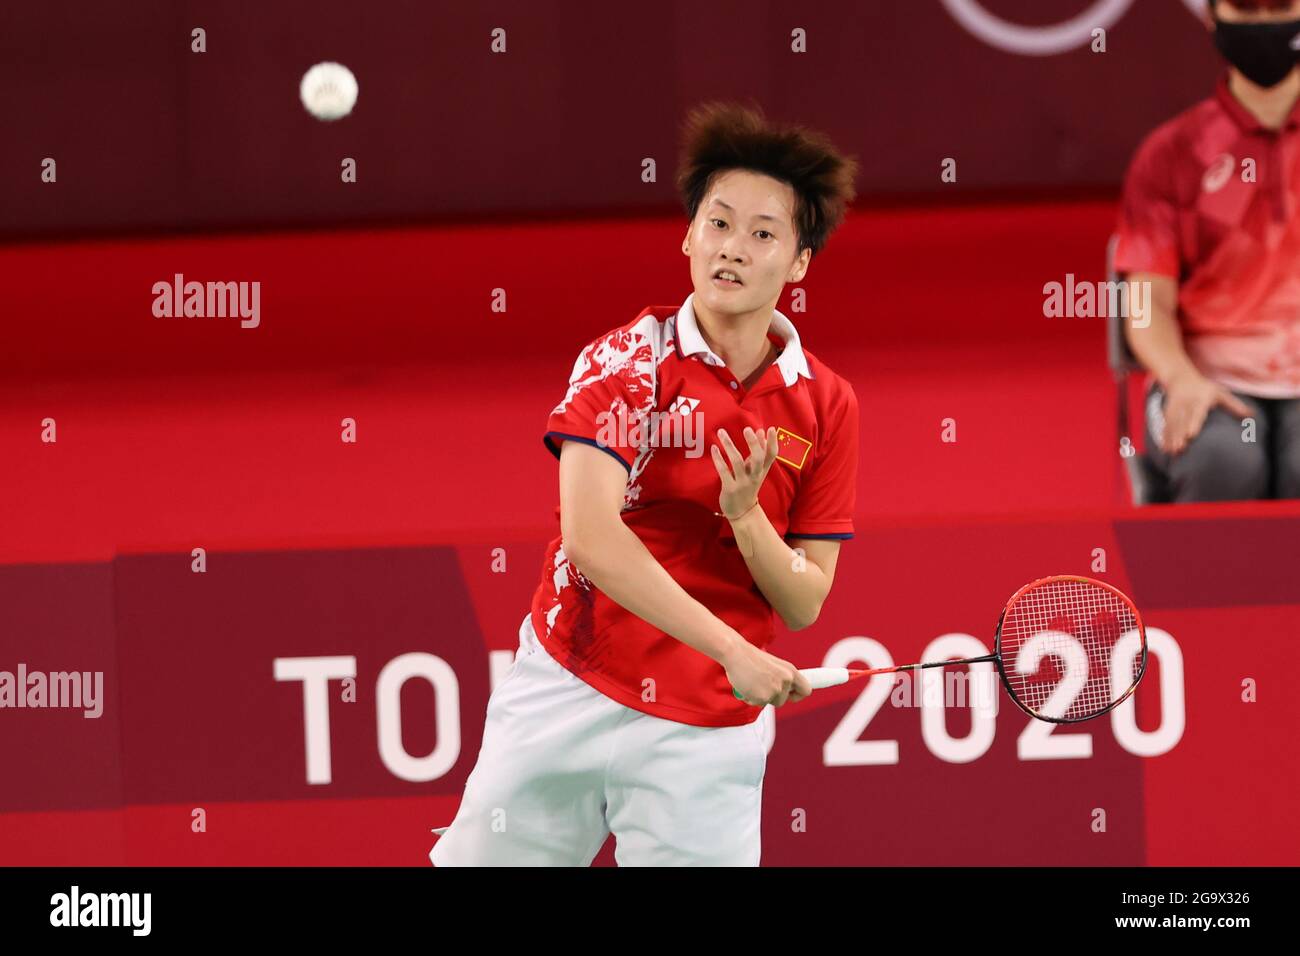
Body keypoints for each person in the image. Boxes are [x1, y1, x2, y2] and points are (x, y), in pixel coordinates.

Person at [430, 101, 860, 866]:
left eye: (763, 235)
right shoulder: (626, 364)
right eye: (718, 223)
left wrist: (746, 519)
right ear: (689, 233)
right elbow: (592, 539)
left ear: (798, 264)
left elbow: (804, 599)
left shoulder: (826, 402)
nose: (733, 249)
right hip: (573, 684)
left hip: (708, 734)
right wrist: (733, 649)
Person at [1115, 0, 1300, 501]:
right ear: (1212, 18)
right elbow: (1146, 301)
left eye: (1281, 5)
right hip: (1208, 377)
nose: (1265, 22)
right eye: (1245, 6)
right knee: (1223, 462)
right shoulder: (1173, 152)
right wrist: (1180, 378)